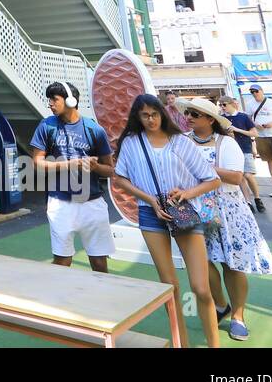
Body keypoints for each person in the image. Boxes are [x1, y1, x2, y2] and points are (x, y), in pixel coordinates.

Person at [112, 93, 222, 347]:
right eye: (145, 115)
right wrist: (149, 199)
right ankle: (180, 342)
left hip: (183, 210)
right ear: (137, 117)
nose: (151, 119)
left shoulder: (180, 142)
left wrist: (186, 193)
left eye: (154, 113)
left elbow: (212, 179)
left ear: (163, 113)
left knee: (200, 288)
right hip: (150, 212)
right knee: (169, 287)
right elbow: (120, 179)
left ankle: (214, 343)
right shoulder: (132, 143)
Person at [179, 97, 272, 343]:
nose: (189, 117)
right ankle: (221, 304)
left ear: (211, 119)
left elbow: (236, 177)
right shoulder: (181, 141)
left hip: (228, 209)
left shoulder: (227, 143)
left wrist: (201, 167)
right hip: (195, 207)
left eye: (195, 113)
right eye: (188, 113)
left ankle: (238, 315)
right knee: (203, 261)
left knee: (232, 264)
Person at [29, 82, 115, 271]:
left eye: (54, 99)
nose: (50, 104)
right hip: (60, 203)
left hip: (92, 203)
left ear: (70, 100)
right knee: (62, 261)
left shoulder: (94, 129)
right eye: (49, 99)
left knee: (99, 262)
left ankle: (104, 298)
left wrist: (95, 166)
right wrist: (70, 164)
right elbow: (37, 163)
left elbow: (110, 169)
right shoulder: (46, 126)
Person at [219, 96, 264, 212]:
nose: (223, 107)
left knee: (248, 175)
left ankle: (257, 198)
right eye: (220, 105)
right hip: (231, 150)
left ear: (231, 104)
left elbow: (254, 133)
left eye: (224, 104)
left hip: (245, 148)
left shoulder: (243, 117)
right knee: (241, 177)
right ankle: (248, 201)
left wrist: (237, 130)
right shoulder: (221, 118)